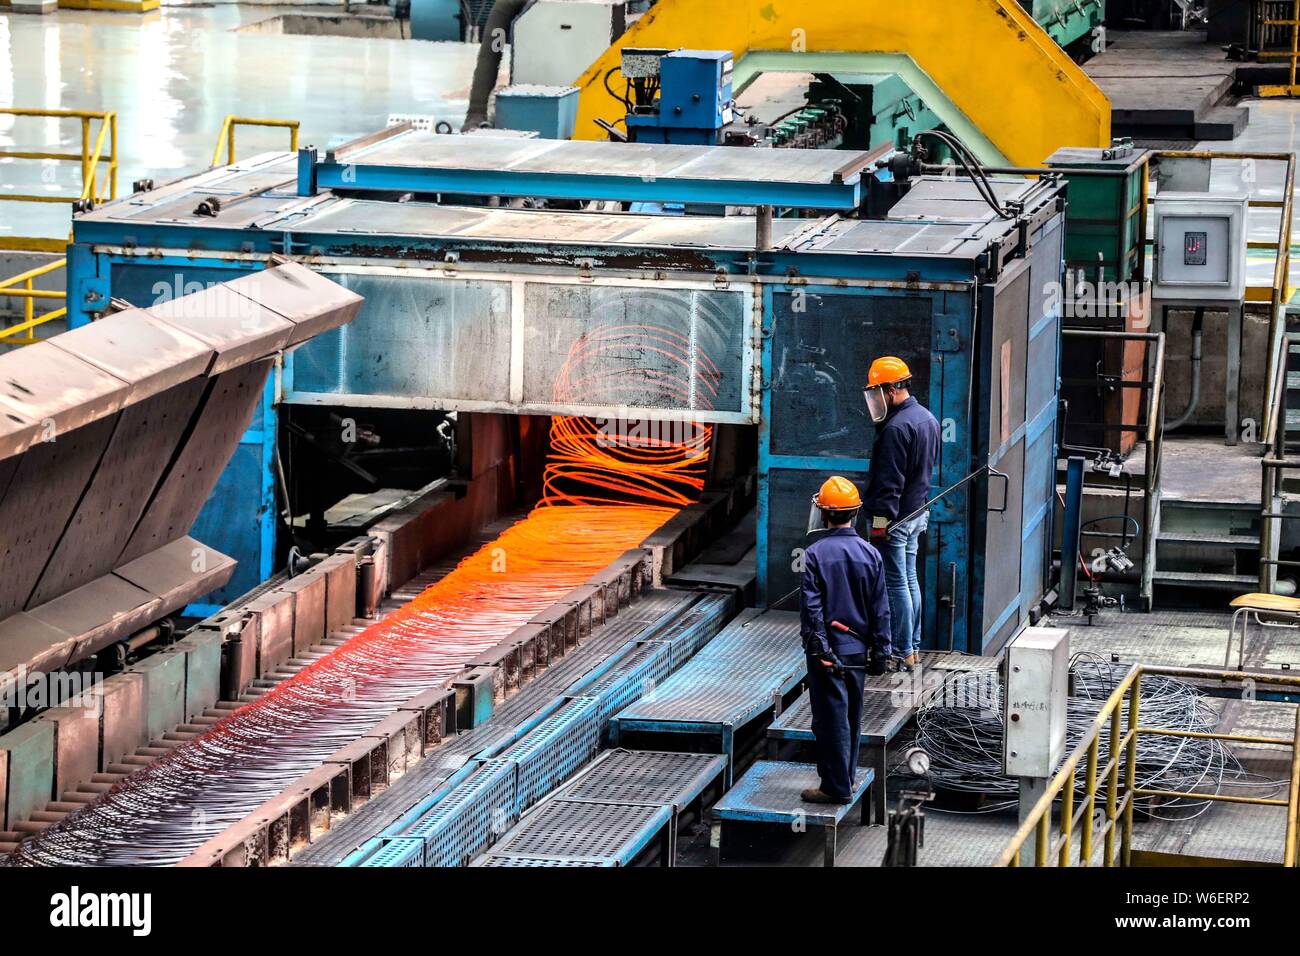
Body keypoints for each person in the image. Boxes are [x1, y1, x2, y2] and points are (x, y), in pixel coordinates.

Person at [798, 476, 891, 805]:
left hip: (828, 655)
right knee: (851, 717)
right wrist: (881, 652)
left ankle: (835, 787)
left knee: (829, 720)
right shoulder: (871, 555)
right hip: (856, 652)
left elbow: (812, 612)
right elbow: (881, 609)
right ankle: (845, 779)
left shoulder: (813, 555)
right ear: (854, 513)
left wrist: (821, 650)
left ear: (824, 514)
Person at [861, 356, 940, 672]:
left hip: (894, 520)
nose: (875, 398)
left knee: (895, 583)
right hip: (917, 514)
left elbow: (889, 485)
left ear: (892, 388)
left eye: (878, 390)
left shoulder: (896, 428)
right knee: (909, 578)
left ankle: (899, 649)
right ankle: (913, 648)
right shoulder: (927, 419)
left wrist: (880, 524)